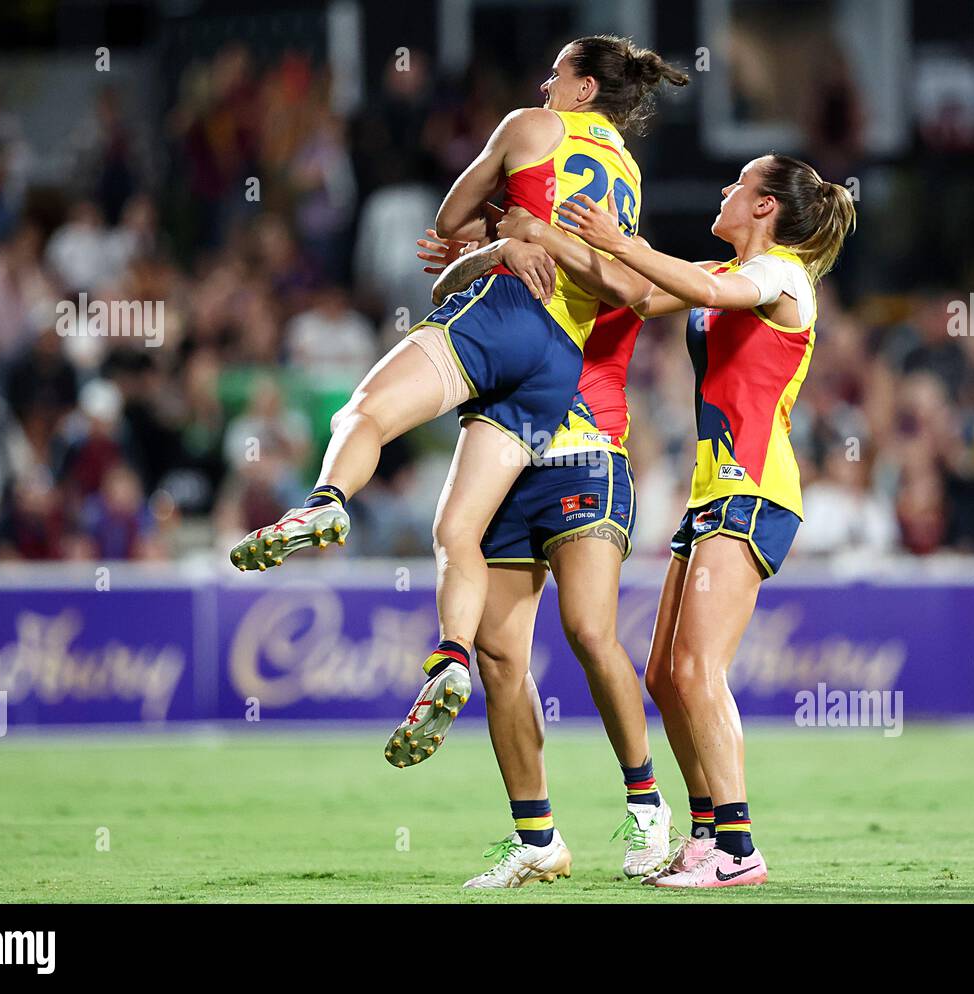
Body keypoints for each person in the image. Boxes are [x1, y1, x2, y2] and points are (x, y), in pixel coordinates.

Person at [227, 36, 687, 779]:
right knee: (459, 527)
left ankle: (326, 500)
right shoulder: (627, 176)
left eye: (557, 72)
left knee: (364, 414)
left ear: (582, 89)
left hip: (505, 316)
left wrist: (500, 230)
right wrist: (510, 229)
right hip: (558, 365)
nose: (544, 81)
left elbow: (447, 217)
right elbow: (622, 284)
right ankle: (449, 657)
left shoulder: (530, 127)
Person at [557, 153, 856, 887]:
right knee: (663, 673)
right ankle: (704, 835)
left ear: (765, 209)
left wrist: (625, 242)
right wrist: (524, 236)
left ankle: (739, 848)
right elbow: (630, 292)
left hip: (755, 490)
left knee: (697, 669)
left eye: (739, 184)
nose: (723, 190)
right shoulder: (721, 276)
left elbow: (674, 280)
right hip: (711, 494)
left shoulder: (783, 274)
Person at [409, 176, 675, 885]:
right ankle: (537, 837)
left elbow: (645, 293)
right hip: (504, 463)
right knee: (500, 660)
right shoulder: (510, 249)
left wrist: (542, 235)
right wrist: (497, 243)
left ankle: (647, 804)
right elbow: (442, 294)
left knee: (589, 629)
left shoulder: (620, 257)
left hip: (586, 455)